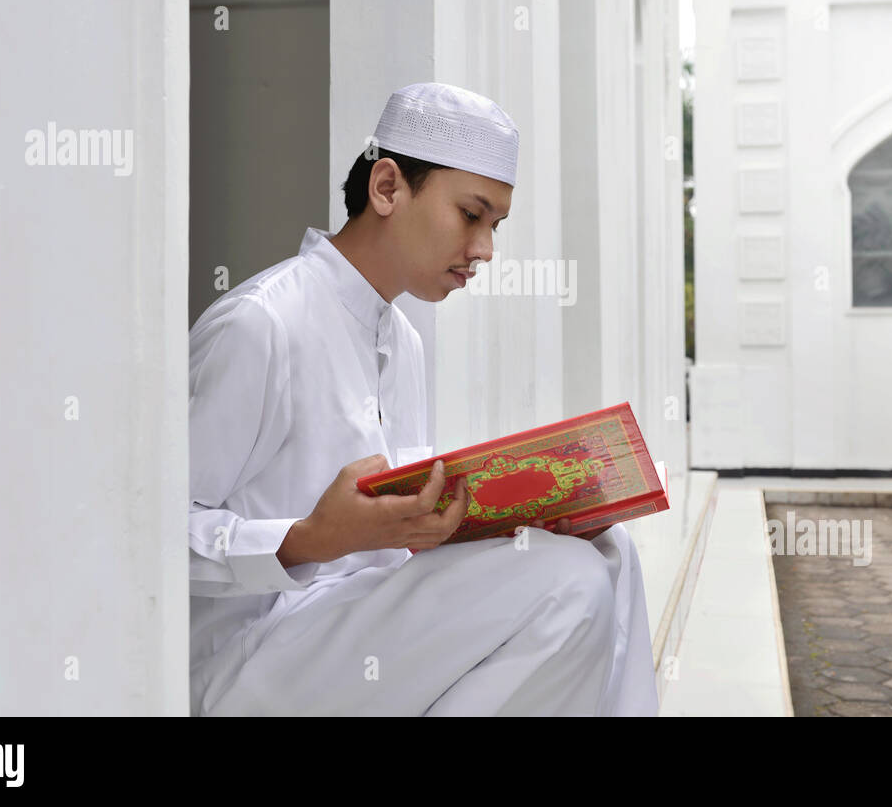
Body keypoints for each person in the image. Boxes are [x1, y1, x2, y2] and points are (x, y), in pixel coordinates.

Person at [188, 82, 659, 716]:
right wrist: (306, 539)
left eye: (495, 224)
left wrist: (500, 519)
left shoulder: (401, 341)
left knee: (608, 551)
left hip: (356, 627)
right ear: (387, 188)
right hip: (253, 657)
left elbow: (394, 537)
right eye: (472, 214)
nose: (486, 250)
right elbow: (148, 537)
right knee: (566, 585)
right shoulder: (260, 324)